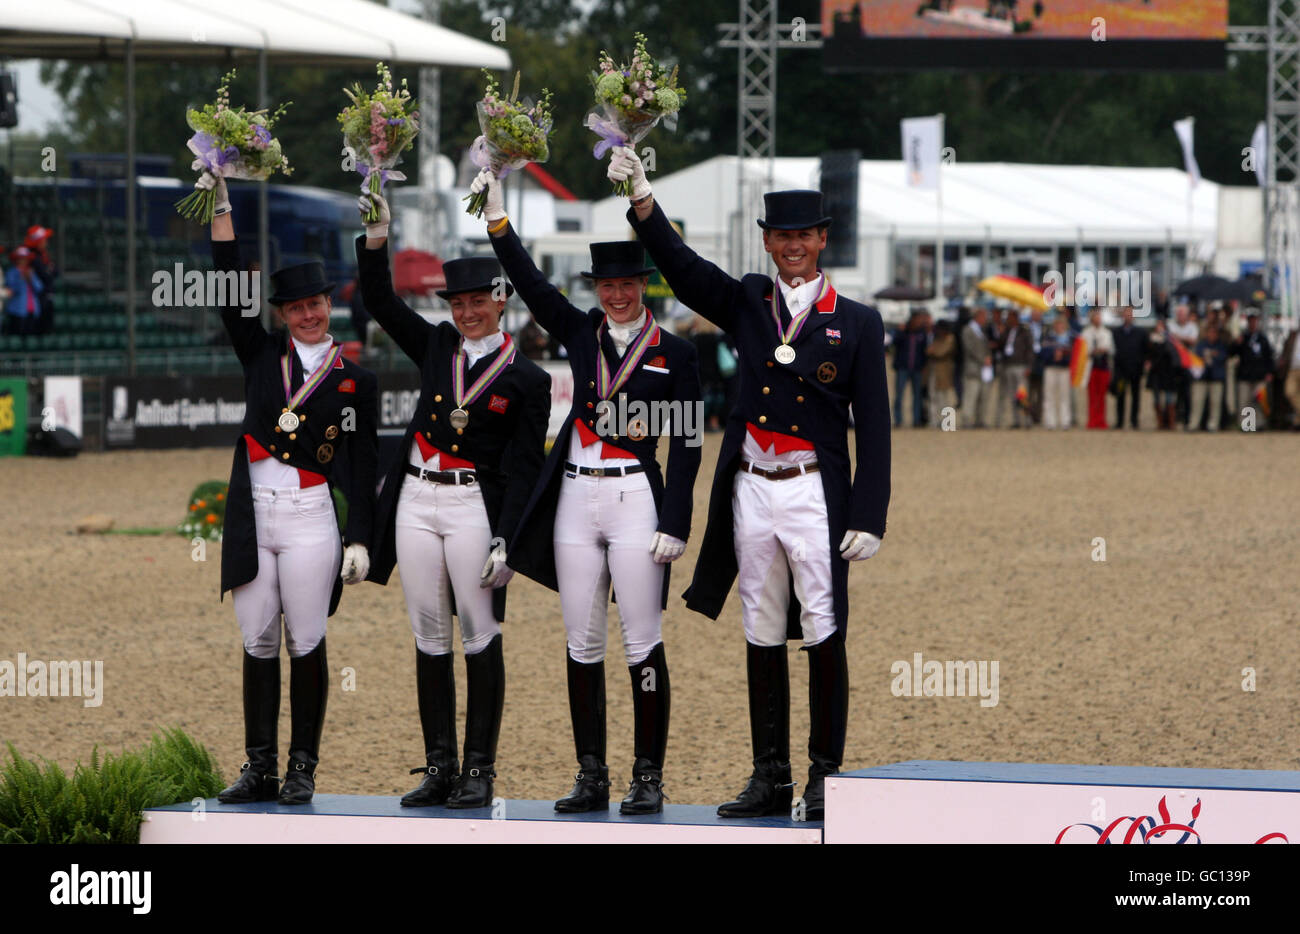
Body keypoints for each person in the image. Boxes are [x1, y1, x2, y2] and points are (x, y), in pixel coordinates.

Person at [612, 148, 890, 821]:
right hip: (751, 487)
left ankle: (825, 775)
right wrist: (643, 202)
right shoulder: (744, 300)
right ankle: (769, 775)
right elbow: (681, 270)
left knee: (823, 625)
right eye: (781, 237)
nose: (793, 247)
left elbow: (875, 426)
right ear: (767, 242)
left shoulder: (855, 321)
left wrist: (870, 513)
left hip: (811, 488)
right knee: (762, 625)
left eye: (804, 236)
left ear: (822, 240)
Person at [471, 168, 703, 816]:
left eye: (628, 284)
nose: (619, 295)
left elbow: (687, 441)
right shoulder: (580, 333)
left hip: (636, 498)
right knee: (581, 641)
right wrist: (498, 221)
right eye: (608, 286)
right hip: (575, 496)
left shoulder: (674, 354)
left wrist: (677, 518)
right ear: (598, 290)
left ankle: (648, 775)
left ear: (642, 287)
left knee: (642, 640)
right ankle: (592, 773)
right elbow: (530, 285)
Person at [355, 193, 550, 809]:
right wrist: (378, 235)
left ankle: (481, 770)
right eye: (458, 303)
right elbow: (380, 301)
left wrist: (510, 539)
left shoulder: (528, 379)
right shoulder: (438, 347)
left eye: (477, 301)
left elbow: (525, 467)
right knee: (428, 631)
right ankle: (439, 765)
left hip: (473, 507)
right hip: (416, 497)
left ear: (501, 301)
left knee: (480, 630)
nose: (466, 312)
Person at [204, 172, 379, 807]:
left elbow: (363, 467)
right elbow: (228, 296)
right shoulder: (260, 356)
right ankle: (258, 765)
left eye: (317, 304)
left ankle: (302, 766)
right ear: (281, 314)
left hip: (310, 518)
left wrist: (361, 537)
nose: (309, 314)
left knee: (306, 638)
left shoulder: (355, 379)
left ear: (327, 306)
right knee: (256, 639)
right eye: (297, 308)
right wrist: (221, 213)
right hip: (254, 513)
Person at [1232, 311, 1274, 430]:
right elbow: (1232, 352)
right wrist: (1236, 343)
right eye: (1250, 321)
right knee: (1245, 401)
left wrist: (1269, 372)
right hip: (1245, 375)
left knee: (1259, 400)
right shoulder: (1243, 337)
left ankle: (1259, 424)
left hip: (1259, 375)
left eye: (1254, 321)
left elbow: (1269, 356)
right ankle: (1246, 425)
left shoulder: (1262, 338)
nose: (1252, 323)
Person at [1111, 306, 1147, 429]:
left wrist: (1143, 365)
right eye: (1126, 314)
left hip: (1136, 370)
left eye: (1130, 314)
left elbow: (1145, 351)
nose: (1128, 316)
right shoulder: (1116, 332)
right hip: (1121, 370)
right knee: (1120, 395)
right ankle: (1120, 421)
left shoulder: (1141, 333)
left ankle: (1134, 421)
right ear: (1123, 316)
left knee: (1136, 396)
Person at [995, 309, 1032, 429]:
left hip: (1021, 365)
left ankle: (1026, 420)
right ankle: (1016, 420)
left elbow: (1030, 350)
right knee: (1012, 395)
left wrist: (1029, 366)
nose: (1008, 320)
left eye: (1010, 317)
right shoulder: (1006, 331)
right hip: (1009, 365)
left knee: (1022, 395)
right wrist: (1001, 332)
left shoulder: (1024, 331)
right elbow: (1000, 345)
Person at [891, 310, 928, 428]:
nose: (919, 322)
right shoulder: (903, 331)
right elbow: (894, 344)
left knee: (917, 395)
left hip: (917, 368)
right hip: (903, 368)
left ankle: (916, 420)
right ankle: (898, 420)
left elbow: (924, 351)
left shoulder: (922, 333)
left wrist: (924, 365)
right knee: (899, 395)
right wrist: (901, 331)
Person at [1191, 322, 1228, 432]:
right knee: (1197, 401)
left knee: (1215, 403)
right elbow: (1197, 356)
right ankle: (1194, 424)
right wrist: (1211, 354)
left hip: (1216, 377)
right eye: (1210, 332)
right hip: (1202, 377)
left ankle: (1213, 425)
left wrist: (1210, 355)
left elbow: (1222, 357)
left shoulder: (1221, 345)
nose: (1212, 334)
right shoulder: (1201, 344)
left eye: (1214, 333)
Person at [1080, 309, 1114, 429]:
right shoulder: (1086, 333)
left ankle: (1101, 420)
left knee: (1101, 395)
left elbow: (1106, 347)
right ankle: (1092, 420)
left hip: (1103, 366)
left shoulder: (1106, 332)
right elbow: (1085, 349)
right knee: (1092, 395)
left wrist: (1097, 350)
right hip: (1091, 366)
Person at [960, 307, 993, 428]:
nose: (986, 320)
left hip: (984, 370)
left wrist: (988, 356)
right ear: (978, 317)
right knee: (971, 396)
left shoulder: (982, 331)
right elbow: (970, 348)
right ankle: (967, 420)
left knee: (983, 396)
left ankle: (980, 419)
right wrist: (983, 358)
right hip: (973, 369)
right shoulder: (968, 330)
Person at [1168, 304, 1199, 429]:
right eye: (1178, 314)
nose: (1180, 316)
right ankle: (1172, 421)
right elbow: (1168, 340)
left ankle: (1186, 420)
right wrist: (1182, 340)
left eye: (1183, 314)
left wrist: (1178, 338)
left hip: (1187, 365)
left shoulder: (1192, 326)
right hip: (1172, 365)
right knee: (1172, 394)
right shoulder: (1170, 325)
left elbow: (1192, 341)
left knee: (1186, 394)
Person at [1039, 315, 1073, 429]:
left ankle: (1065, 421)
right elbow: (1043, 353)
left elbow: (1073, 355)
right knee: (1049, 396)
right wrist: (1053, 355)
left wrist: (1062, 357)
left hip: (1064, 369)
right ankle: (1050, 421)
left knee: (1064, 396)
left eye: (1061, 324)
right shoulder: (1048, 338)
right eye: (1057, 324)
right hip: (1050, 368)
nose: (1059, 326)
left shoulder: (1069, 338)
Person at [1146, 319, 1179, 430]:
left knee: (1169, 399)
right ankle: (1160, 422)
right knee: (1156, 399)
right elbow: (1148, 356)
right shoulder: (1151, 341)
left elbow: (1172, 355)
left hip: (1168, 373)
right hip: (1156, 373)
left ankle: (1171, 422)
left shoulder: (1170, 341)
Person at [3, 246, 43, 336]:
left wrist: (30, 278)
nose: (23, 261)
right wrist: (22, 278)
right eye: (20, 258)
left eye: (25, 258)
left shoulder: (31, 272)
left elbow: (39, 288)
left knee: (31, 335)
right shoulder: (11, 272)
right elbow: (12, 290)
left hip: (32, 309)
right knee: (17, 334)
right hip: (17, 310)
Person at [24, 226, 56, 335]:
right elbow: (46, 275)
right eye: (44, 239)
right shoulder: (33, 257)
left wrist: (50, 271)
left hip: (47, 294)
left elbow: (55, 272)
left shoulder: (44, 256)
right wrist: (49, 270)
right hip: (37, 296)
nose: (46, 242)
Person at [925, 319, 957, 427]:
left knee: (945, 398)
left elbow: (940, 352)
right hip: (934, 371)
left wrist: (933, 351)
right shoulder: (937, 339)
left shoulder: (950, 339)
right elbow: (929, 351)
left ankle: (948, 422)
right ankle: (934, 420)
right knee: (933, 397)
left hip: (944, 372)